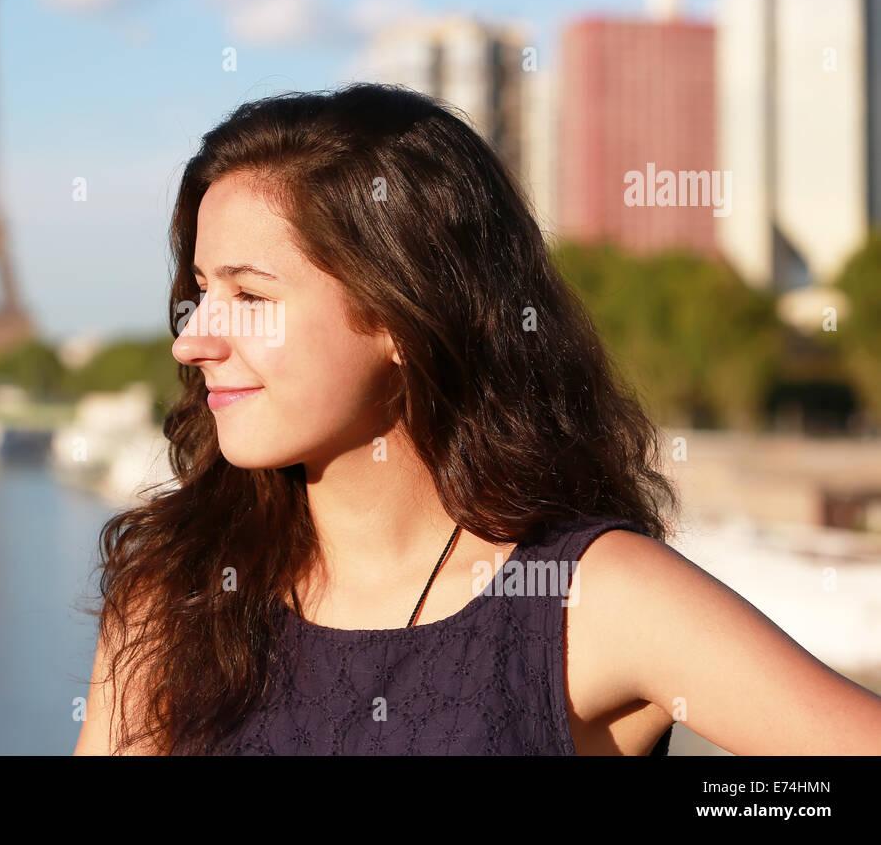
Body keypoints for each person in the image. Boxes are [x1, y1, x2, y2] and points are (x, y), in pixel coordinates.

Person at [73, 82, 881, 755]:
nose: (191, 341)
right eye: (201, 292)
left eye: (249, 297)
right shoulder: (171, 598)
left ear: (400, 314)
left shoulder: (589, 602)